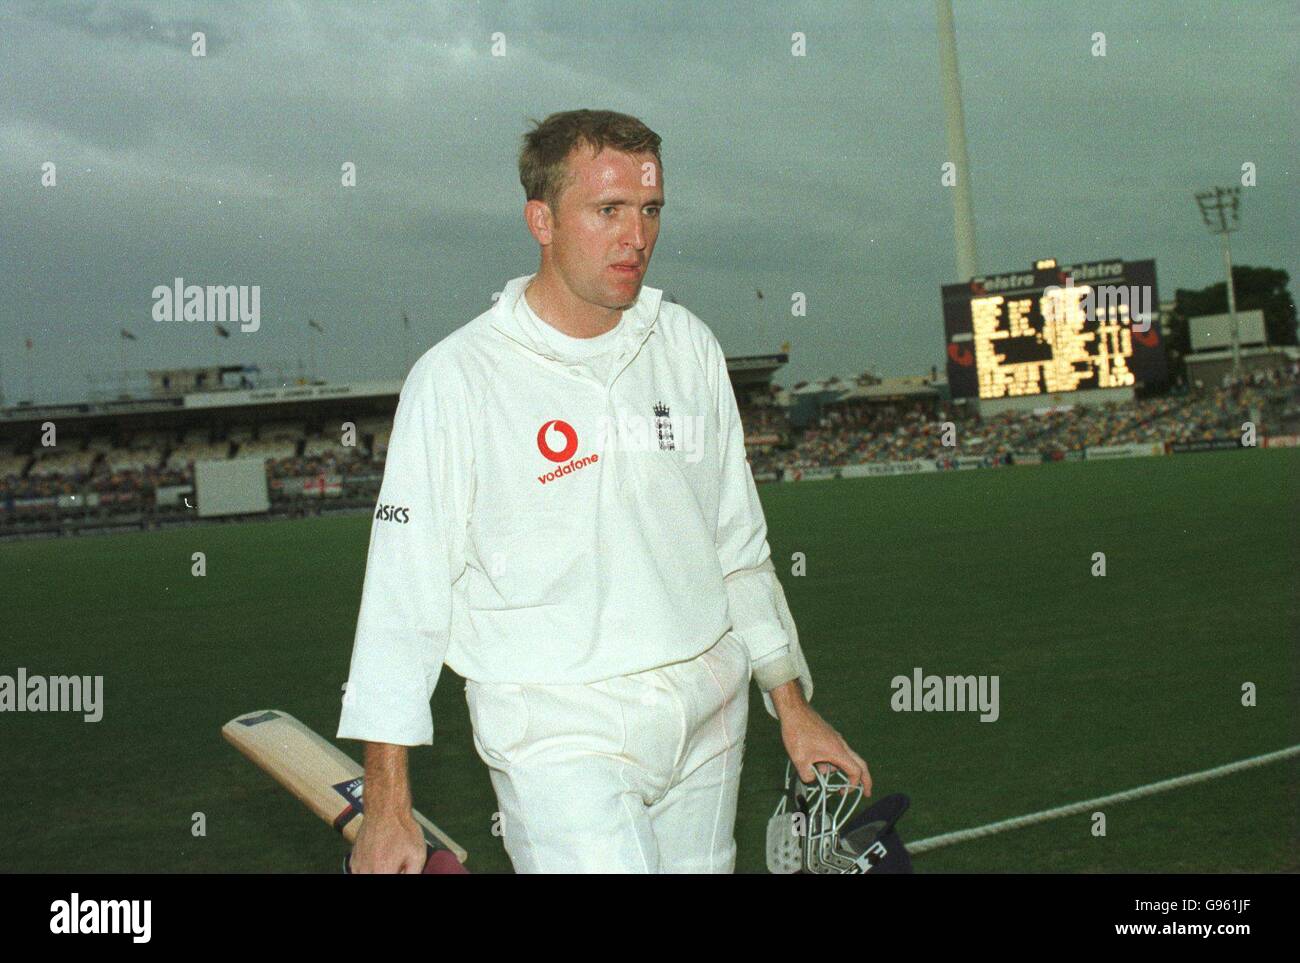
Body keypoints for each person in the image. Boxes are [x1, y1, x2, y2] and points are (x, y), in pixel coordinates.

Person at [338, 109, 869, 873]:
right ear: (541, 220)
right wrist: (387, 801)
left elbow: (737, 546)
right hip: (558, 723)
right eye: (608, 210)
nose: (637, 237)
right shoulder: (457, 379)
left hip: (708, 706)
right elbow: (402, 599)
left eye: (651, 210)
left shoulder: (686, 344)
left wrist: (790, 703)